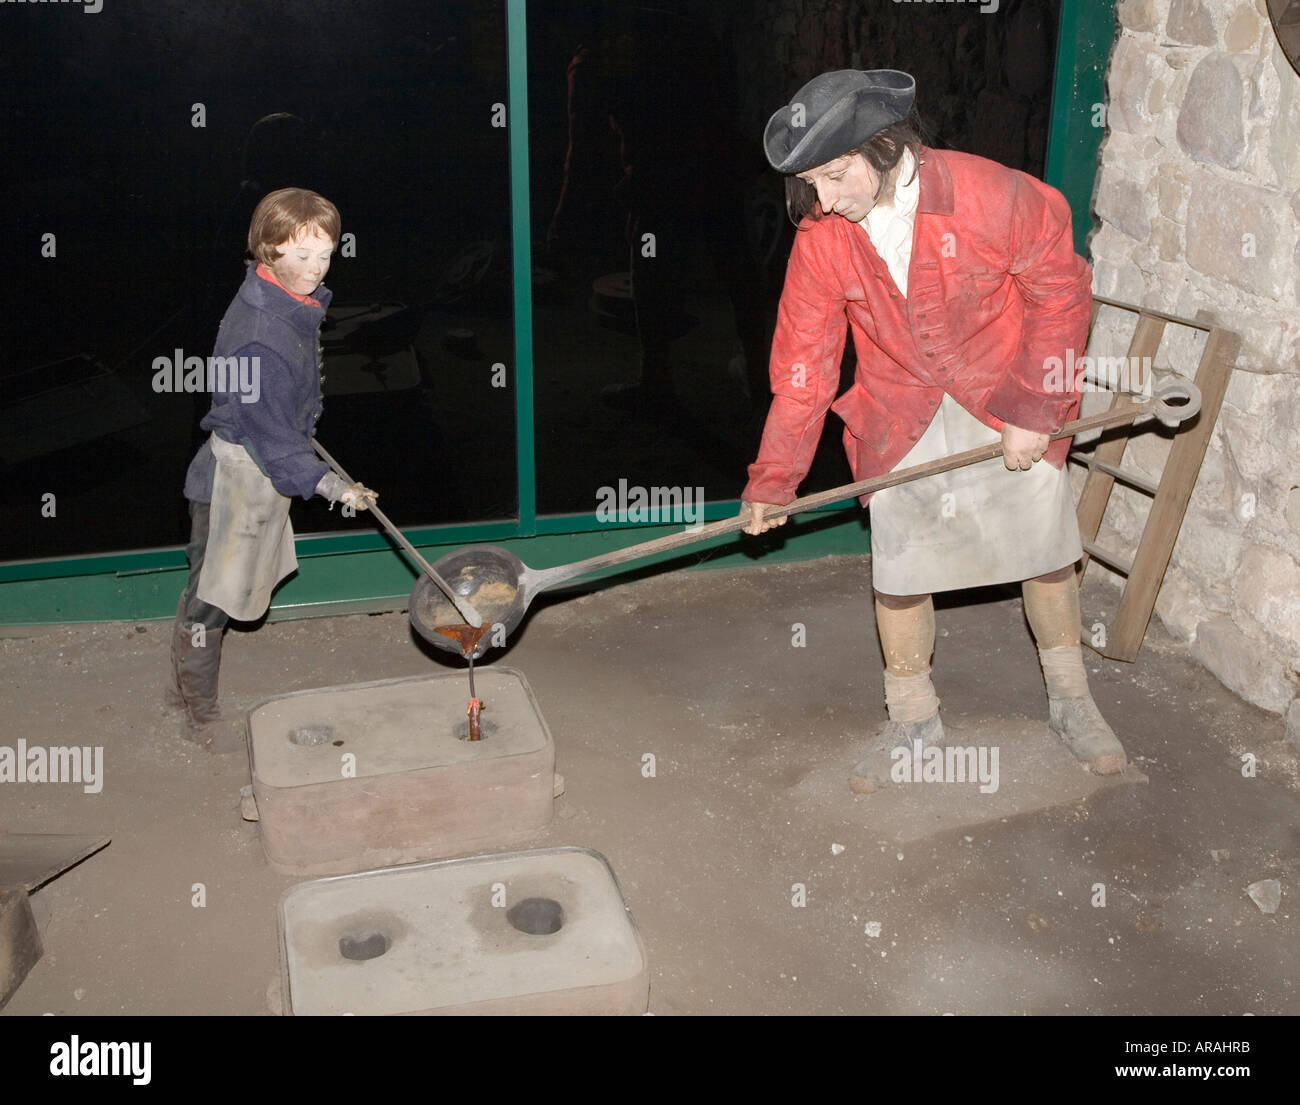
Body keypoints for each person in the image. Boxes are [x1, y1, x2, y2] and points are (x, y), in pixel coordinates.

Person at [739, 70, 1124, 793]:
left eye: (834, 175)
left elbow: (1061, 292)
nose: (823, 202)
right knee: (903, 566)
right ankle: (913, 716)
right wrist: (773, 479)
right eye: (809, 185)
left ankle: (1073, 701)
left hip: (1000, 391)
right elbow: (802, 370)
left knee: (1045, 550)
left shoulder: (988, 194)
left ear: (883, 147)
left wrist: (1035, 409)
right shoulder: (824, 238)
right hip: (899, 409)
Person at [167, 188, 375, 752]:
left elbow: (281, 418)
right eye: (299, 256)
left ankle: (181, 689)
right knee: (212, 599)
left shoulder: (278, 297)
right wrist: (334, 487)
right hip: (235, 480)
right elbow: (274, 442)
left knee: (204, 589)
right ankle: (200, 715)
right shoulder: (261, 337)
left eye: (325, 254)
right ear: (267, 251)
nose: (314, 269)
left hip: (256, 461)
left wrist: (298, 418)